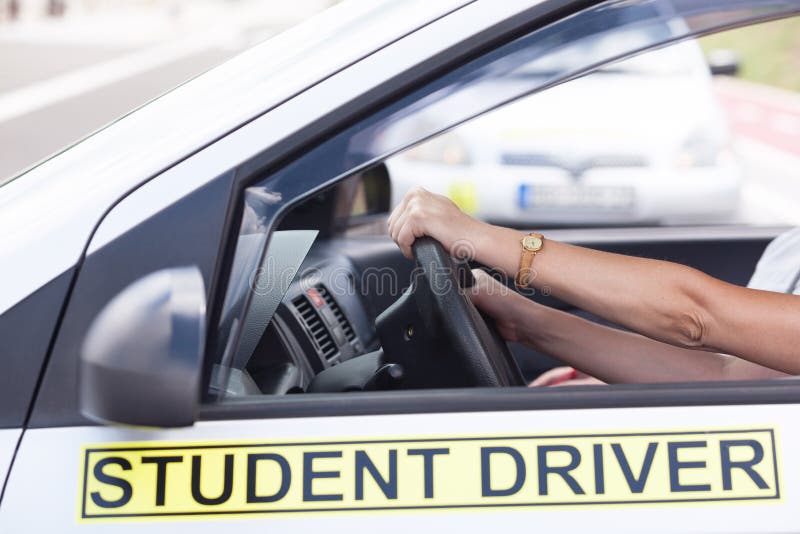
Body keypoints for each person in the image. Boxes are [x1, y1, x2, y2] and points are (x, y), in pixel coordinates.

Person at [387, 187, 799, 384]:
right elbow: (733, 375)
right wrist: (525, 320)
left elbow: (695, 316)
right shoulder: (791, 247)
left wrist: (481, 237)